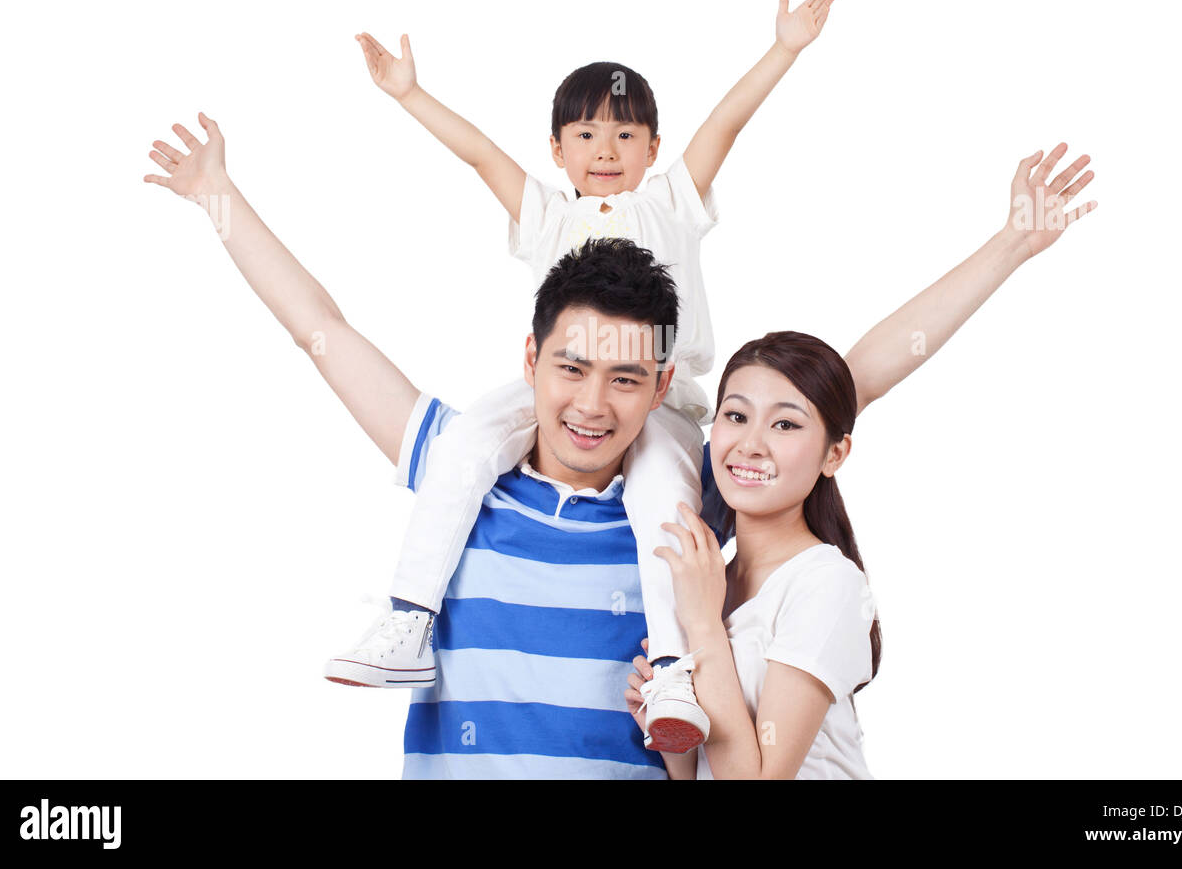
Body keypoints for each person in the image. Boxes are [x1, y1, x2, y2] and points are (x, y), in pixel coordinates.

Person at [142, 112, 1096, 777]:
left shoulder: (682, 507)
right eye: (571, 368)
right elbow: (324, 332)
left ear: (663, 385)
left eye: (628, 378)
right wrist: (219, 196)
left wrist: (1010, 244)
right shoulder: (458, 474)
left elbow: (844, 380)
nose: (593, 404)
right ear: (531, 358)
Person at [336, 0, 837, 755]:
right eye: (586, 133)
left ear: (653, 146)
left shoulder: (672, 200)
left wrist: (785, 48)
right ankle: (410, 616)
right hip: (561, 392)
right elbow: (478, 155)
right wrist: (410, 93)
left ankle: (672, 667)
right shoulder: (546, 214)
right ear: (558, 150)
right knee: (466, 448)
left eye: (625, 133)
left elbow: (726, 124)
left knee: (669, 508)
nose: (606, 150)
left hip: (656, 408)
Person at [626, 332, 880, 779]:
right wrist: (673, 739)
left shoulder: (827, 583)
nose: (750, 445)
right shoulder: (711, 583)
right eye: (737, 416)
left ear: (834, 453)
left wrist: (703, 624)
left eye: (785, 424)